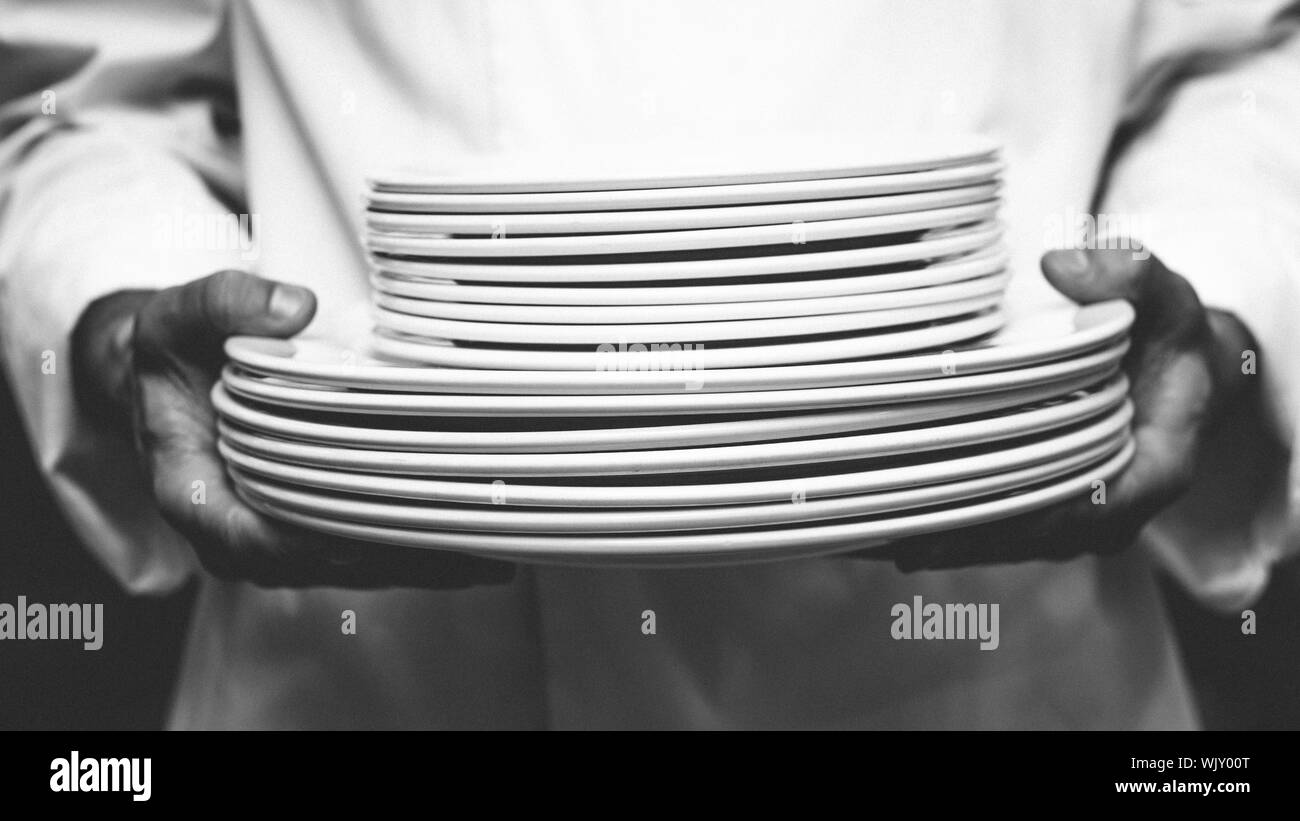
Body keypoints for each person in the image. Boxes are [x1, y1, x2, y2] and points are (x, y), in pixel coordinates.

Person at [1, 0, 1298, 729]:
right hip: (377, 645)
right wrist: (128, 309)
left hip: (991, 646)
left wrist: (1205, 293)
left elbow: (1248, 60)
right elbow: (80, 94)